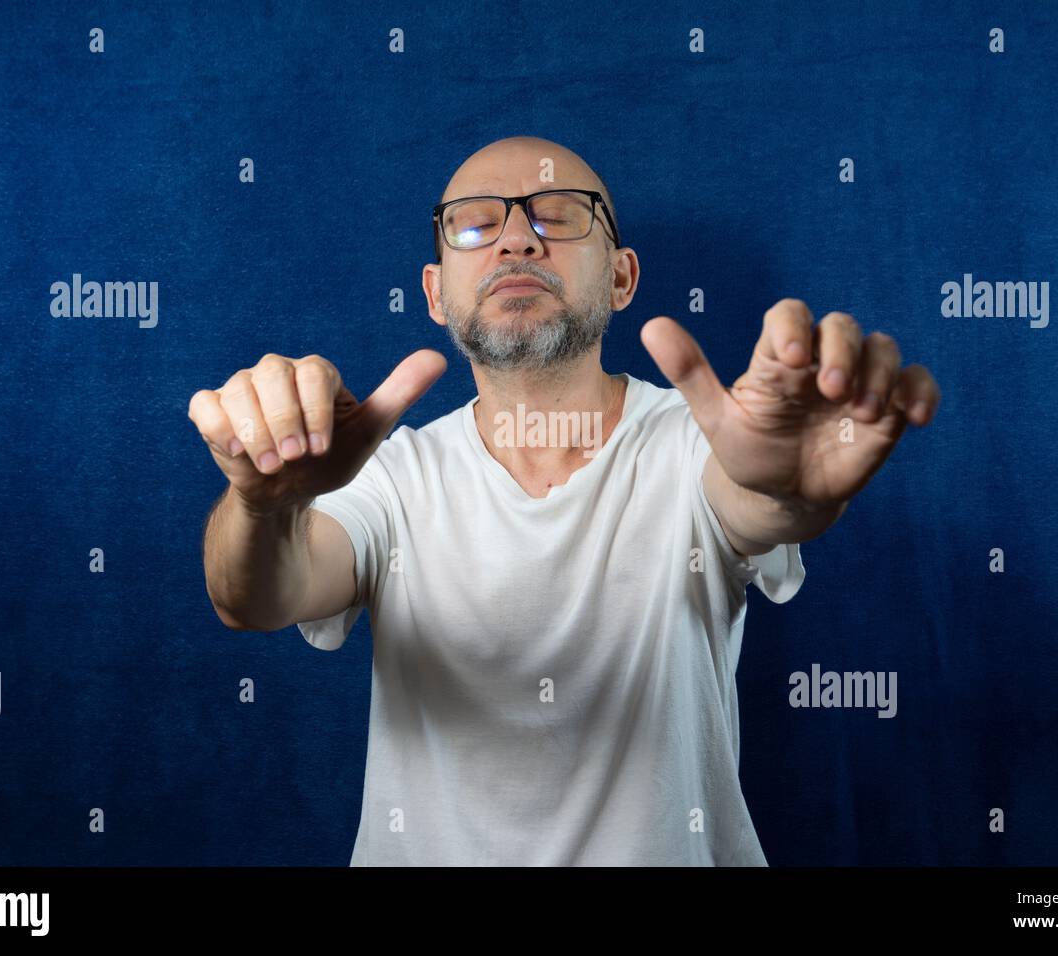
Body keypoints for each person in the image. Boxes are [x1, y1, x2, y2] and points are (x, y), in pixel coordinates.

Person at [188, 135, 941, 865]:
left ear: (620, 277)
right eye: (477, 222)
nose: (516, 240)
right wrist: (262, 504)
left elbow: (753, 503)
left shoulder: (695, 445)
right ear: (435, 294)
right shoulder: (392, 477)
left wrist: (783, 488)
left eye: (557, 213)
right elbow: (254, 598)